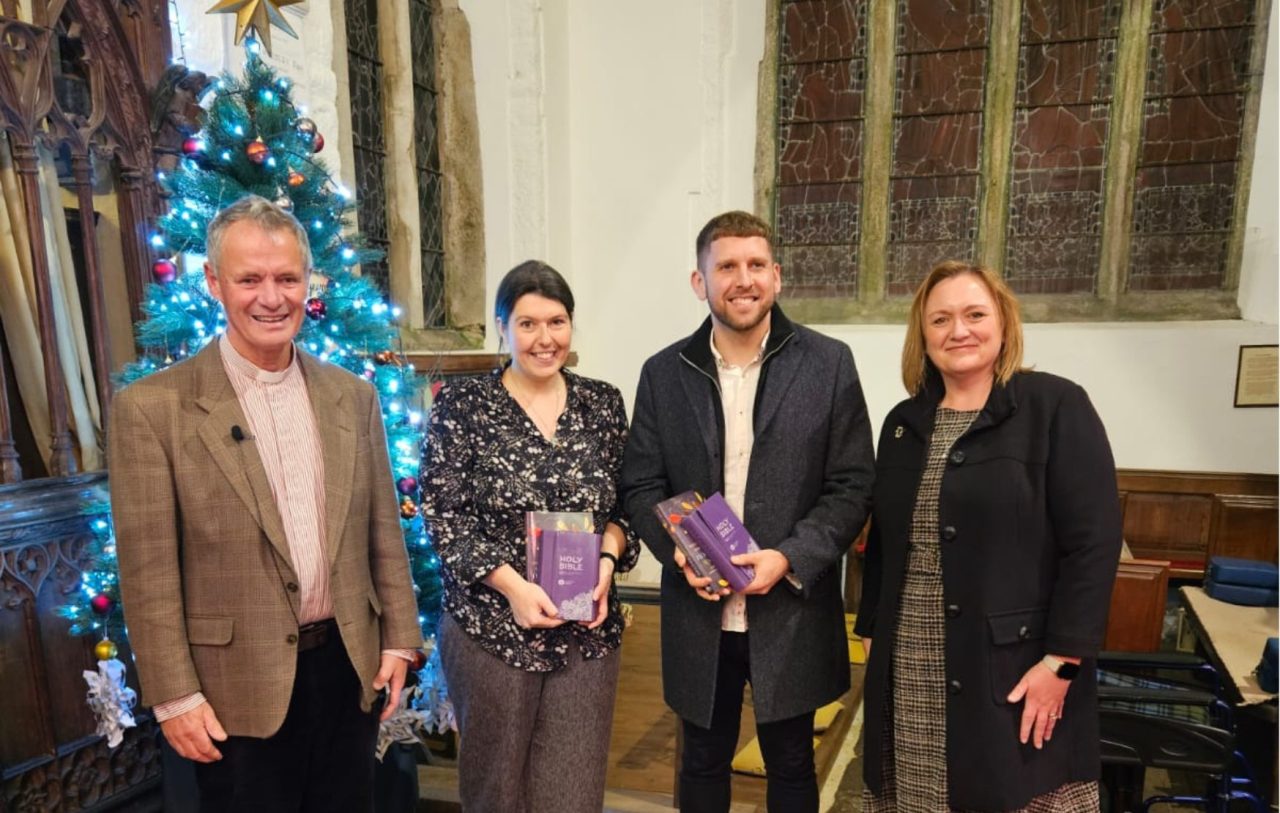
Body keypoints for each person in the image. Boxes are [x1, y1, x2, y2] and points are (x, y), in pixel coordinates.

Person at [109, 195, 423, 812]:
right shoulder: (153, 409)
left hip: (346, 669)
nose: (271, 297)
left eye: (286, 277)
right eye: (249, 279)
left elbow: (383, 531)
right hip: (233, 687)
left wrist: (398, 640)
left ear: (310, 281)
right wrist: (174, 696)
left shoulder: (350, 397)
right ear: (213, 283)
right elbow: (147, 572)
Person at [621, 211, 875, 812]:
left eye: (756, 265)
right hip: (698, 606)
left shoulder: (828, 363)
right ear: (699, 281)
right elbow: (640, 483)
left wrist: (790, 556)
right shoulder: (663, 373)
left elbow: (852, 484)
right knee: (702, 762)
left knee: (790, 765)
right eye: (726, 266)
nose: (743, 279)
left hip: (788, 604)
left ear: (777, 276)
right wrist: (682, 555)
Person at [857, 260, 1123, 812]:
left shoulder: (1054, 406)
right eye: (941, 319)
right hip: (912, 655)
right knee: (922, 792)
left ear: (1003, 321)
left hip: (1015, 662)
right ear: (923, 336)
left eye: (975, 314)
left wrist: (1063, 662)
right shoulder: (903, 423)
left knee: (1013, 791)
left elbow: (1093, 545)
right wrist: (870, 629)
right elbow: (884, 538)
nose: (959, 331)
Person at [420, 260, 639, 812]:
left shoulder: (602, 405)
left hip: (584, 630)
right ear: (502, 327)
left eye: (557, 322)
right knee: (497, 792)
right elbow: (445, 515)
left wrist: (608, 567)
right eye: (528, 324)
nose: (545, 339)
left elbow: (628, 504)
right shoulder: (462, 406)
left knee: (572, 792)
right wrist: (514, 588)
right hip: (491, 627)